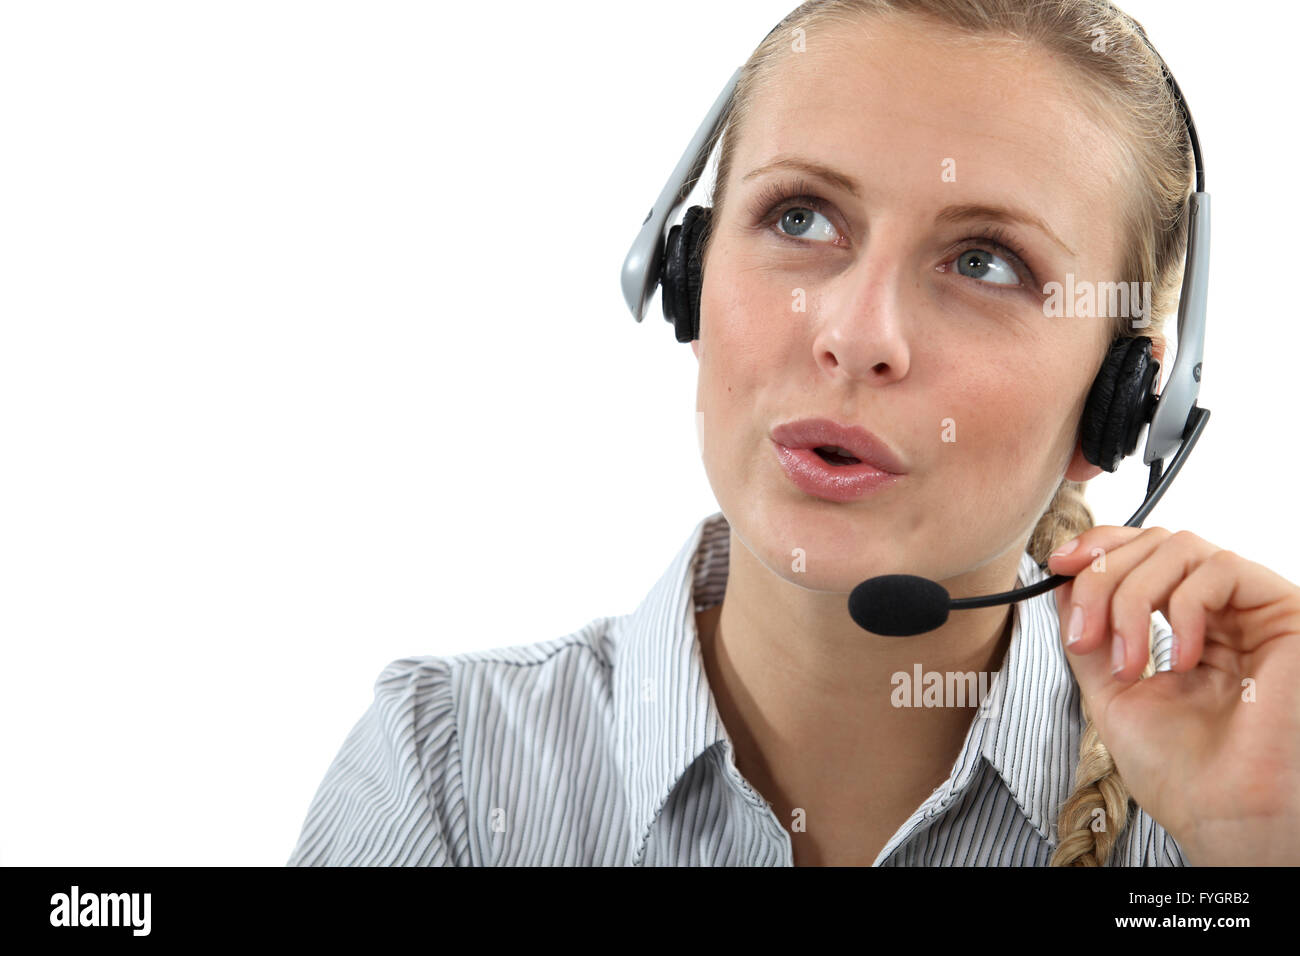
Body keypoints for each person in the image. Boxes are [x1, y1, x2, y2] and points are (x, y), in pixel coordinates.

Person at [286, 0, 1300, 867]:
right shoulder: (450, 773)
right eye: (801, 218)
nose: (855, 337)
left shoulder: (1223, 805)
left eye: (984, 263)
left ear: (1125, 403)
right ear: (683, 274)